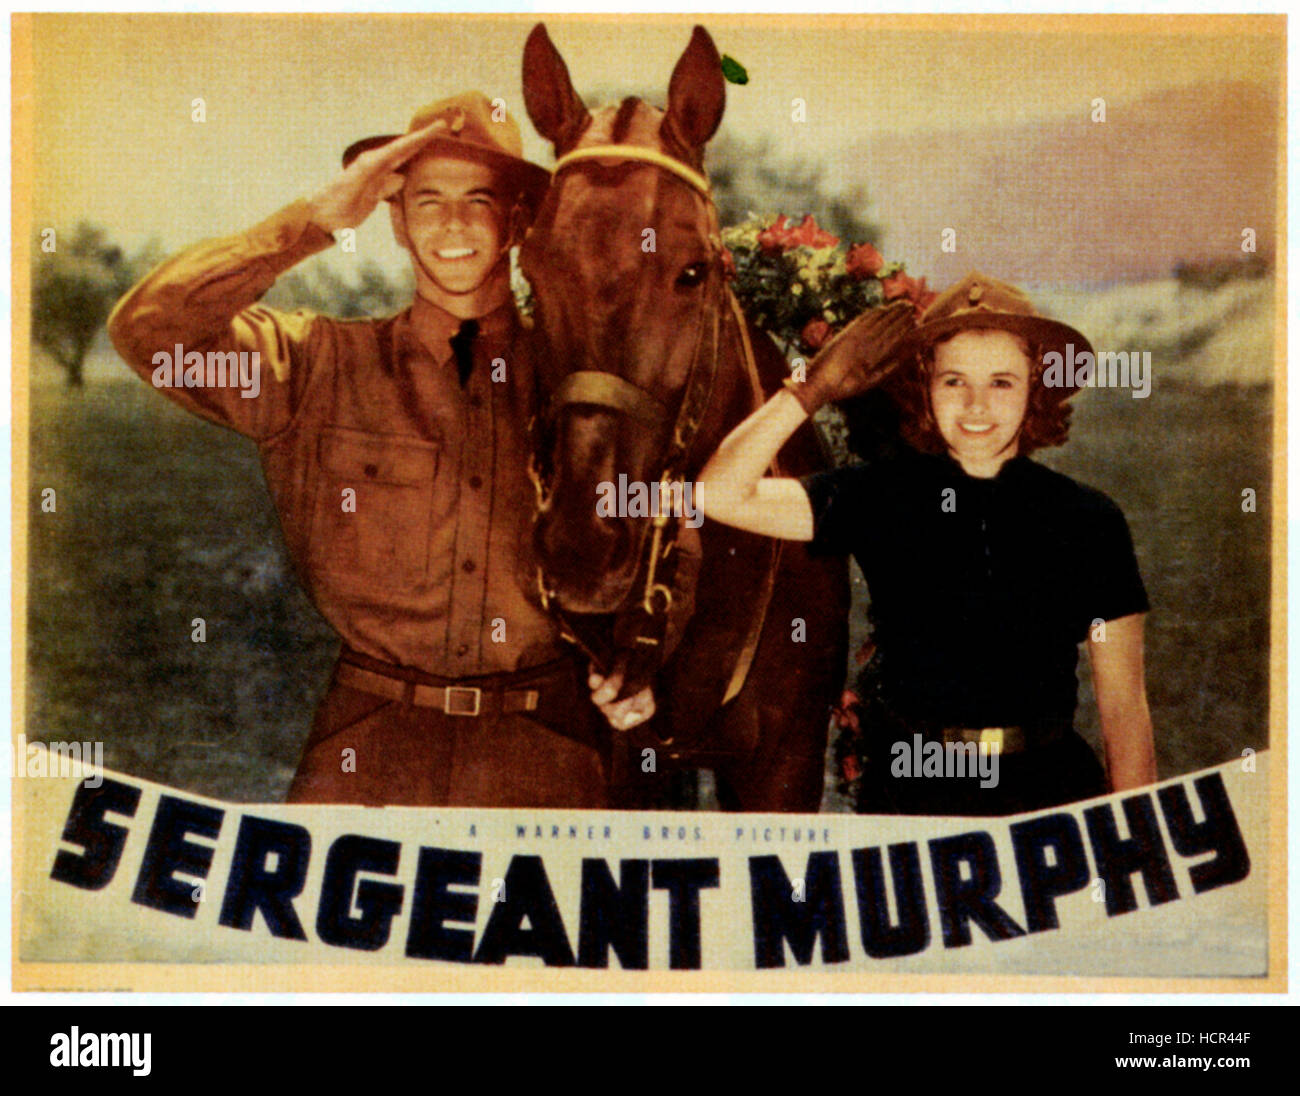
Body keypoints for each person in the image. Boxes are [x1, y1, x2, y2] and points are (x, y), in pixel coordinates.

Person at [108, 92, 657, 808]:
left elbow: (668, 529)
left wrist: (643, 656)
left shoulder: (580, 387)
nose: (453, 224)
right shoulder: (313, 368)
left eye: (480, 200)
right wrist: (310, 223)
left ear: (519, 220)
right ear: (395, 220)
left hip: (546, 748)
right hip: (368, 746)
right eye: (427, 201)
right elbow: (149, 331)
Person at [697, 272, 1157, 816]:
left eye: (1002, 382)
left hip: (1050, 796)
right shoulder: (877, 494)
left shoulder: (1090, 519)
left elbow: (1124, 711)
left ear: (1037, 386)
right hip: (908, 797)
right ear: (924, 384)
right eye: (954, 381)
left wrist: (1139, 837)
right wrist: (812, 387)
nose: (976, 406)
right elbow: (717, 494)